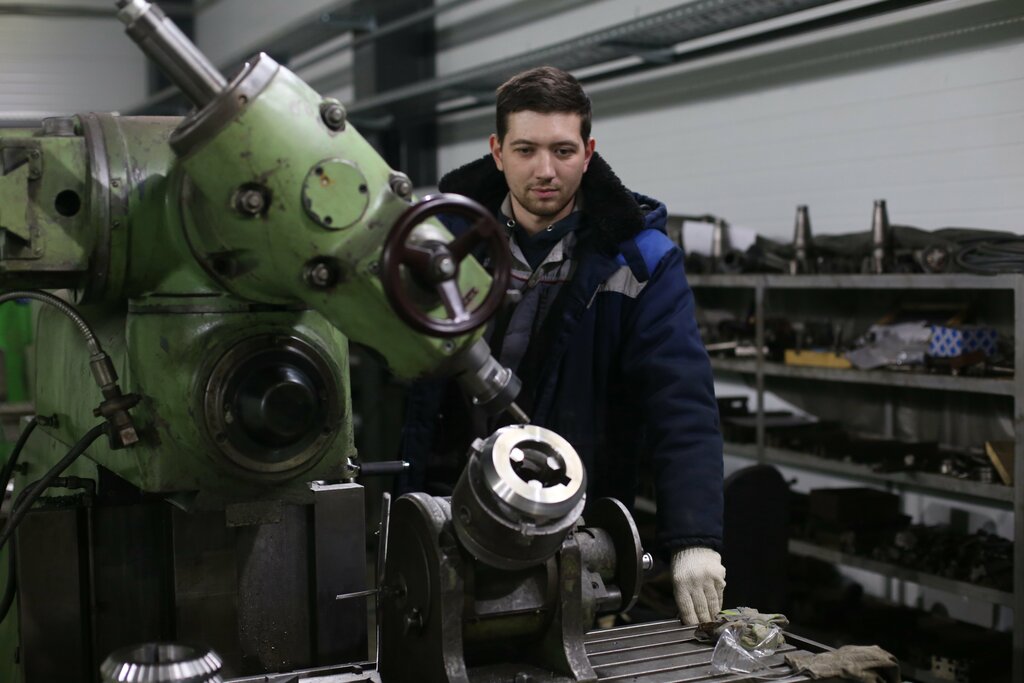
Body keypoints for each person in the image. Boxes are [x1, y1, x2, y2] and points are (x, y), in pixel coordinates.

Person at [398, 66, 725, 625]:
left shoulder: (639, 260)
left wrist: (693, 537)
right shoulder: (438, 243)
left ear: (589, 151)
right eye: (526, 150)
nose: (545, 171)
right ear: (497, 152)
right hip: (442, 513)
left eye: (563, 150)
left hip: (569, 534)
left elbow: (682, 402)